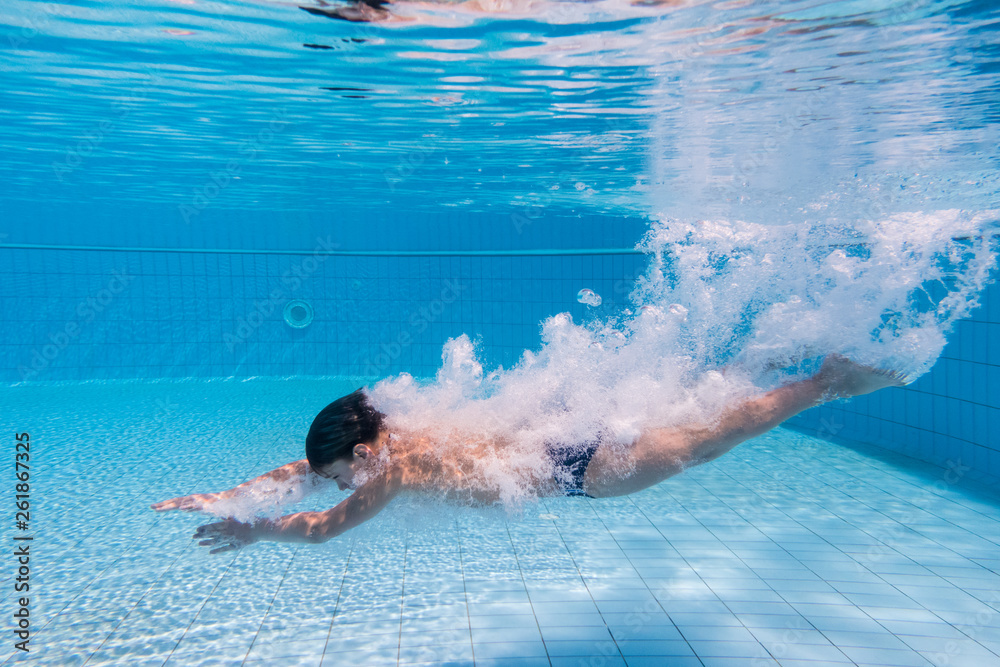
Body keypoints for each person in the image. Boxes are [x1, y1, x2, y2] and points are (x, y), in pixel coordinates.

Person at [151, 354, 907, 553]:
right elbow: (300, 473)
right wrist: (222, 496)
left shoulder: (398, 469)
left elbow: (323, 526)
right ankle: (802, 370)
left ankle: (824, 381)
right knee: (705, 421)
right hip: (572, 437)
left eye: (349, 470)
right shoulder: (398, 427)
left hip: (586, 472)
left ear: (367, 448)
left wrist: (256, 531)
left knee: (716, 438)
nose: (349, 482)